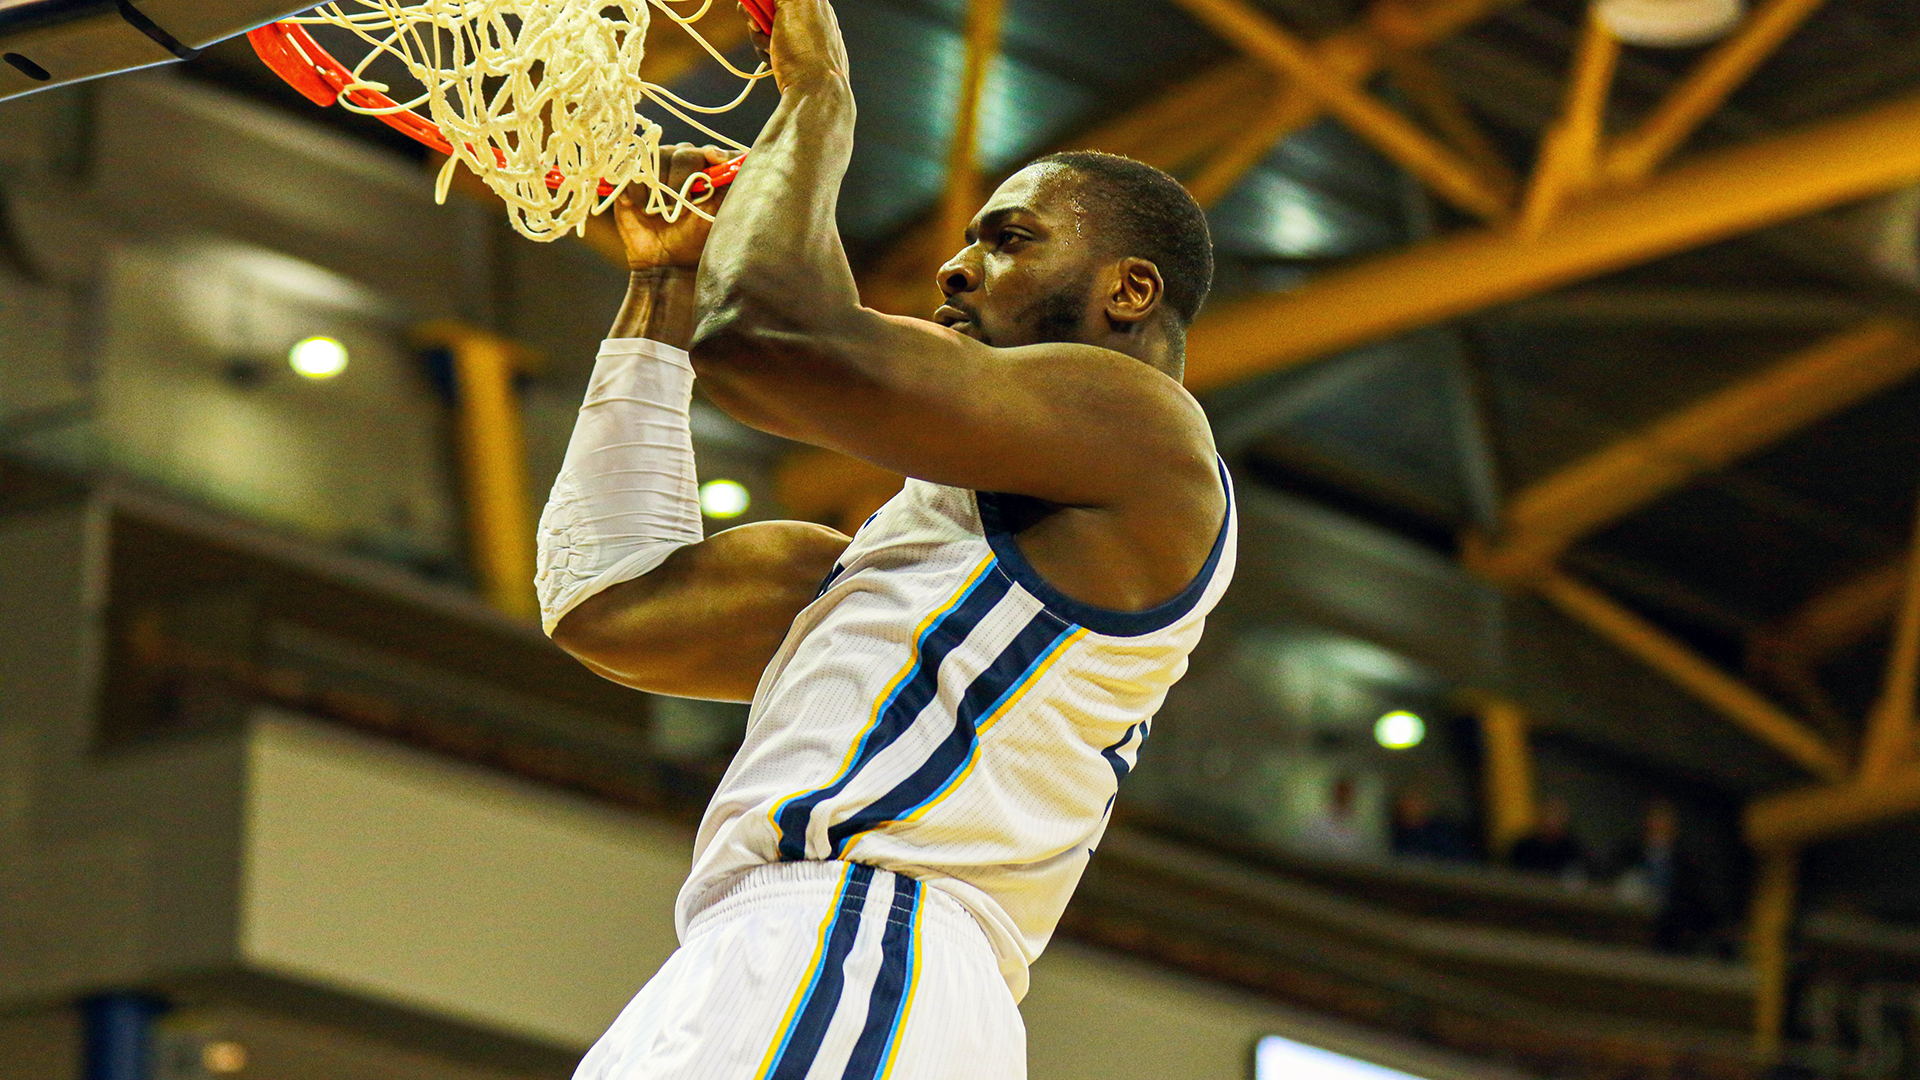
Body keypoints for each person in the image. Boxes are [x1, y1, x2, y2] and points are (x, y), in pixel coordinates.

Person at [536, 2, 1234, 1076]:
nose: (956, 268)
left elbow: (770, 337)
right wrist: (662, 285)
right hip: (765, 955)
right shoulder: (895, 571)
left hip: (868, 944)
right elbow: (603, 599)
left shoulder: (1149, 432)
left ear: (1128, 291)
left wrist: (818, 94)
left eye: (1008, 240)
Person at [1508, 796, 1588, 883]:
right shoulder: (1524, 847)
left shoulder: (1572, 849)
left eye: (1557, 815)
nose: (1551, 821)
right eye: (1548, 814)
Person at [1389, 786, 1475, 863]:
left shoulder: (1442, 832)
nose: (1409, 807)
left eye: (1414, 802)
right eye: (1406, 803)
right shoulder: (1393, 835)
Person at [1297, 775, 1374, 859]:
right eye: (1341, 791)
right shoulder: (1315, 824)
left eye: (1347, 793)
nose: (1344, 796)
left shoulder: (1357, 833)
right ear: (1334, 793)